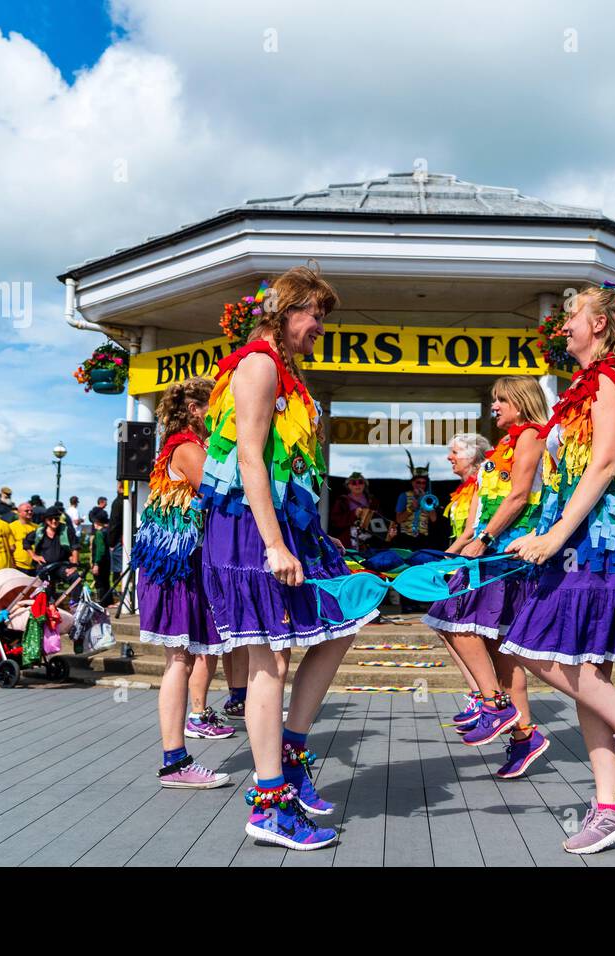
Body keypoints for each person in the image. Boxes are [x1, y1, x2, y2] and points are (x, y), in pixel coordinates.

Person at [199, 265, 374, 851]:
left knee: (345, 620)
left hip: (287, 530)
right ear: (282, 313)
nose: (320, 326)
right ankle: (269, 804)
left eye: (323, 316)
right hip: (252, 533)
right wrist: (274, 544)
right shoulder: (257, 365)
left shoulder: (283, 374)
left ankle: (292, 754)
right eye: (313, 314)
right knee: (269, 660)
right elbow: (250, 460)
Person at [501, 281, 615, 855]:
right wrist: (541, 530)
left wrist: (554, 536)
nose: (562, 325)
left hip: (601, 544)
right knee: (582, 670)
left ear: (598, 325)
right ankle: (609, 808)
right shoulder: (585, 385)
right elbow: (574, 476)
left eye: (570, 316)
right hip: (580, 540)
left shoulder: (611, 377)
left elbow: (602, 467)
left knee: (533, 648)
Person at [421, 377, 550, 778]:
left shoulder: (531, 434)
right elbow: (490, 502)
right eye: (493, 399)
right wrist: (461, 549)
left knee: (453, 618)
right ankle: (524, 735)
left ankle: (492, 703)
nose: (493, 406)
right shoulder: (504, 446)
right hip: (493, 551)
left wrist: (484, 538)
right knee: (498, 648)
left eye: (500, 399)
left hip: (506, 554)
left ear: (521, 401)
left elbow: (519, 495)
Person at [129, 377, 234, 792]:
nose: (224, 412)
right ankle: (174, 761)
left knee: (185, 658)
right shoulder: (188, 448)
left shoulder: (186, 446)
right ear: (195, 409)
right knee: (178, 660)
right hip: (173, 568)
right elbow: (224, 493)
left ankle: (177, 755)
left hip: (180, 567)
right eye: (217, 405)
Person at [426, 433, 491, 714]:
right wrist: (443, 561)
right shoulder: (467, 487)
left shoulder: (485, 481)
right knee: (444, 623)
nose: (449, 457)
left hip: (478, 563)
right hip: (462, 562)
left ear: (472, 456)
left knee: (449, 622)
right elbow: (465, 533)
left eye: (454, 452)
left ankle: (487, 696)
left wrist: (444, 561)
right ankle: (482, 693)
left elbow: (472, 533)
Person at [328, 472, 382, 550]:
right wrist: (353, 514)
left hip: (370, 541)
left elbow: (380, 520)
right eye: (353, 483)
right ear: (348, 485)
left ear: (364, 484)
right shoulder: (342, 501)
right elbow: (335, 521)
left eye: (360, 482)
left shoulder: (373, 501)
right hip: (348, 541)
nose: (357, 485)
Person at [8, 501, 38, 571]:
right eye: (26, 511)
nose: (30, 512)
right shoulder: (11, 527)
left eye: (31, 510)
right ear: (19, 512)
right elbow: (9, 548)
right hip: (19, 565)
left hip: (35, 566)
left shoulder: (37, 527)